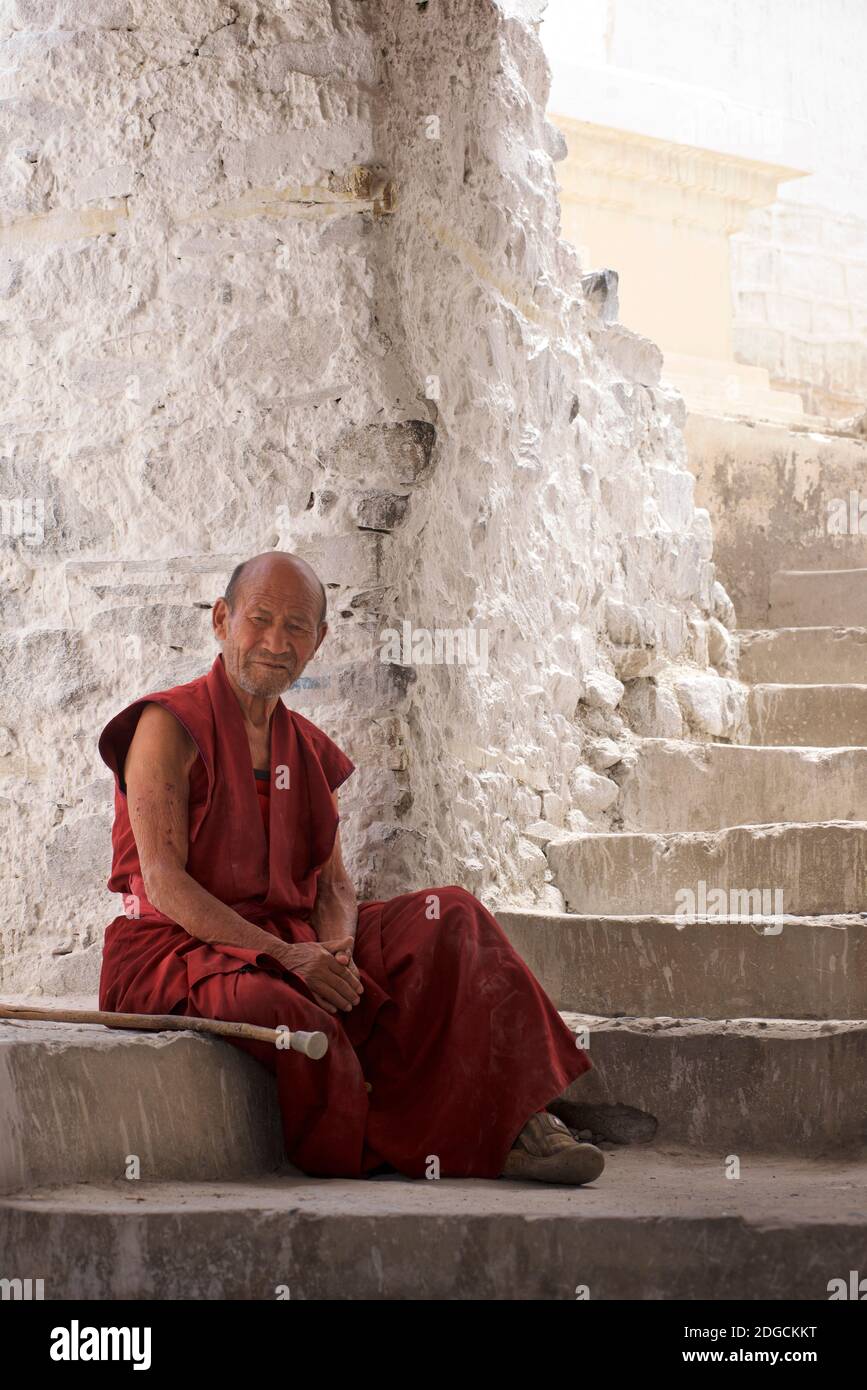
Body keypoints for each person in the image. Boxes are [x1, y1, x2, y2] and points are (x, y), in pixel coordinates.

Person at [98, 550, 604, 1185]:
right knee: (292, 1011)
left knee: (451, 915)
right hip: (176, 949)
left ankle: (523, 1115)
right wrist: (289, 960)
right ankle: (465, 1137)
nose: (276, 642)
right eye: (259, 619)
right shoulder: (167, 726)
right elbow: (166, 884)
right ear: (222, 620)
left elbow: (334, 885)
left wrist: (337, 951)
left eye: (297, 627)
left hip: (293, 941)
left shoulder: (303, 746)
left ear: (319, 641)